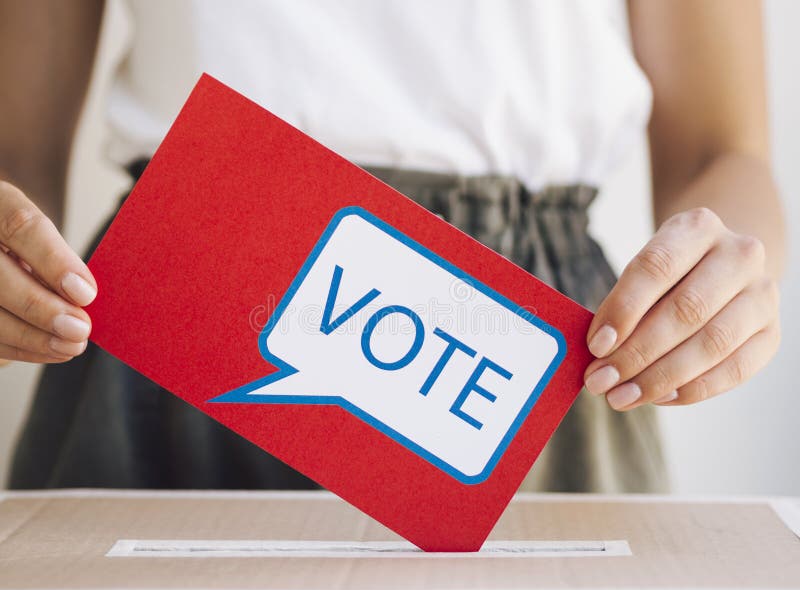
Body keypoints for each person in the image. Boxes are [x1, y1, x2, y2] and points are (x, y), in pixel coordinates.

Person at [0, 1, 784, 492]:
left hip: (517, 349)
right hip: (179, 303)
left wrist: (729, 276)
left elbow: (722, 150)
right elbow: (17, 151)